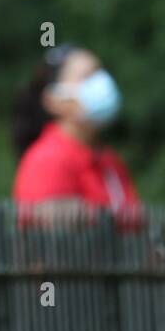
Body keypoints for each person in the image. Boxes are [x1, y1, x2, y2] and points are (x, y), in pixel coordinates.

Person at [11, 44, 140, 216]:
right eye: (87, 77)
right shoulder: (48, 161)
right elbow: (54, 239)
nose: (102, 83)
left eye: (99, 72)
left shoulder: (108, 158)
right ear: (54, 101)